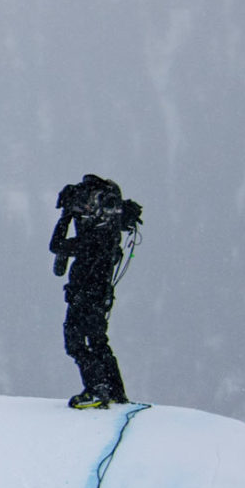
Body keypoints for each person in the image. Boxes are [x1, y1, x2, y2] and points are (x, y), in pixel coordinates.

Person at [49, 173, 141, 408]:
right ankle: (115, 392)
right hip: (100, 294)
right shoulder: (107, 237)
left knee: (76, 342)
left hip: (84, 294)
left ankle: (97, 389)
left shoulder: (91, 239)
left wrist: (66, 215)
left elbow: (56, 245)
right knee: (98, 340)